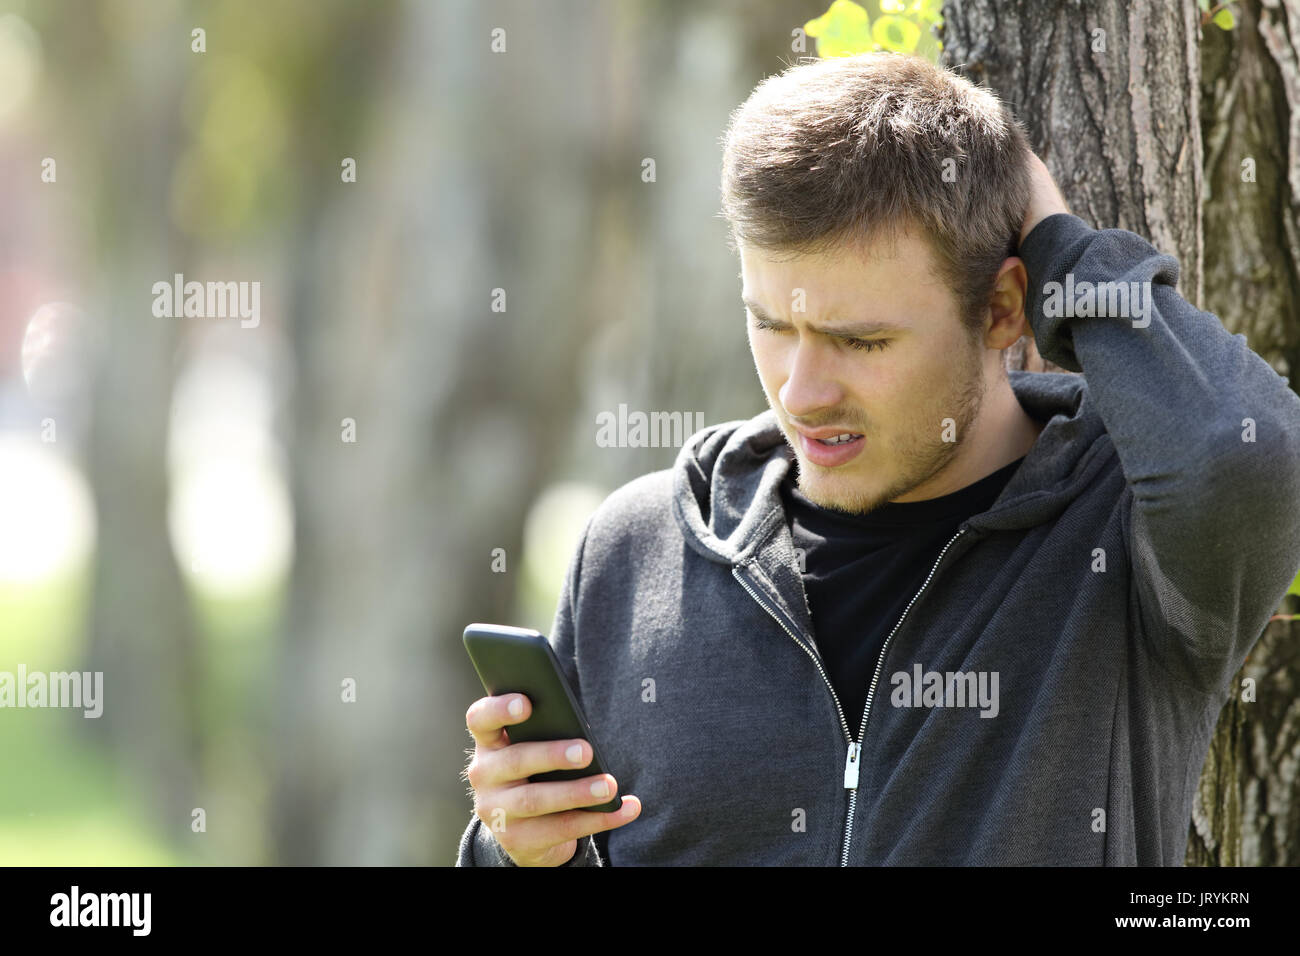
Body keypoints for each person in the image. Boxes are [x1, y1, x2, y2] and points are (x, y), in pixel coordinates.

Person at [456, 52, 1300, 866]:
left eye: (860, 340)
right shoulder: (635, 552)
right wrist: (520, 852)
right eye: (772, 325)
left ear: (1005, 307)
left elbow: (1248, 461)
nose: (802, 391)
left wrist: (1067, 255)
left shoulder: (1122, 539)